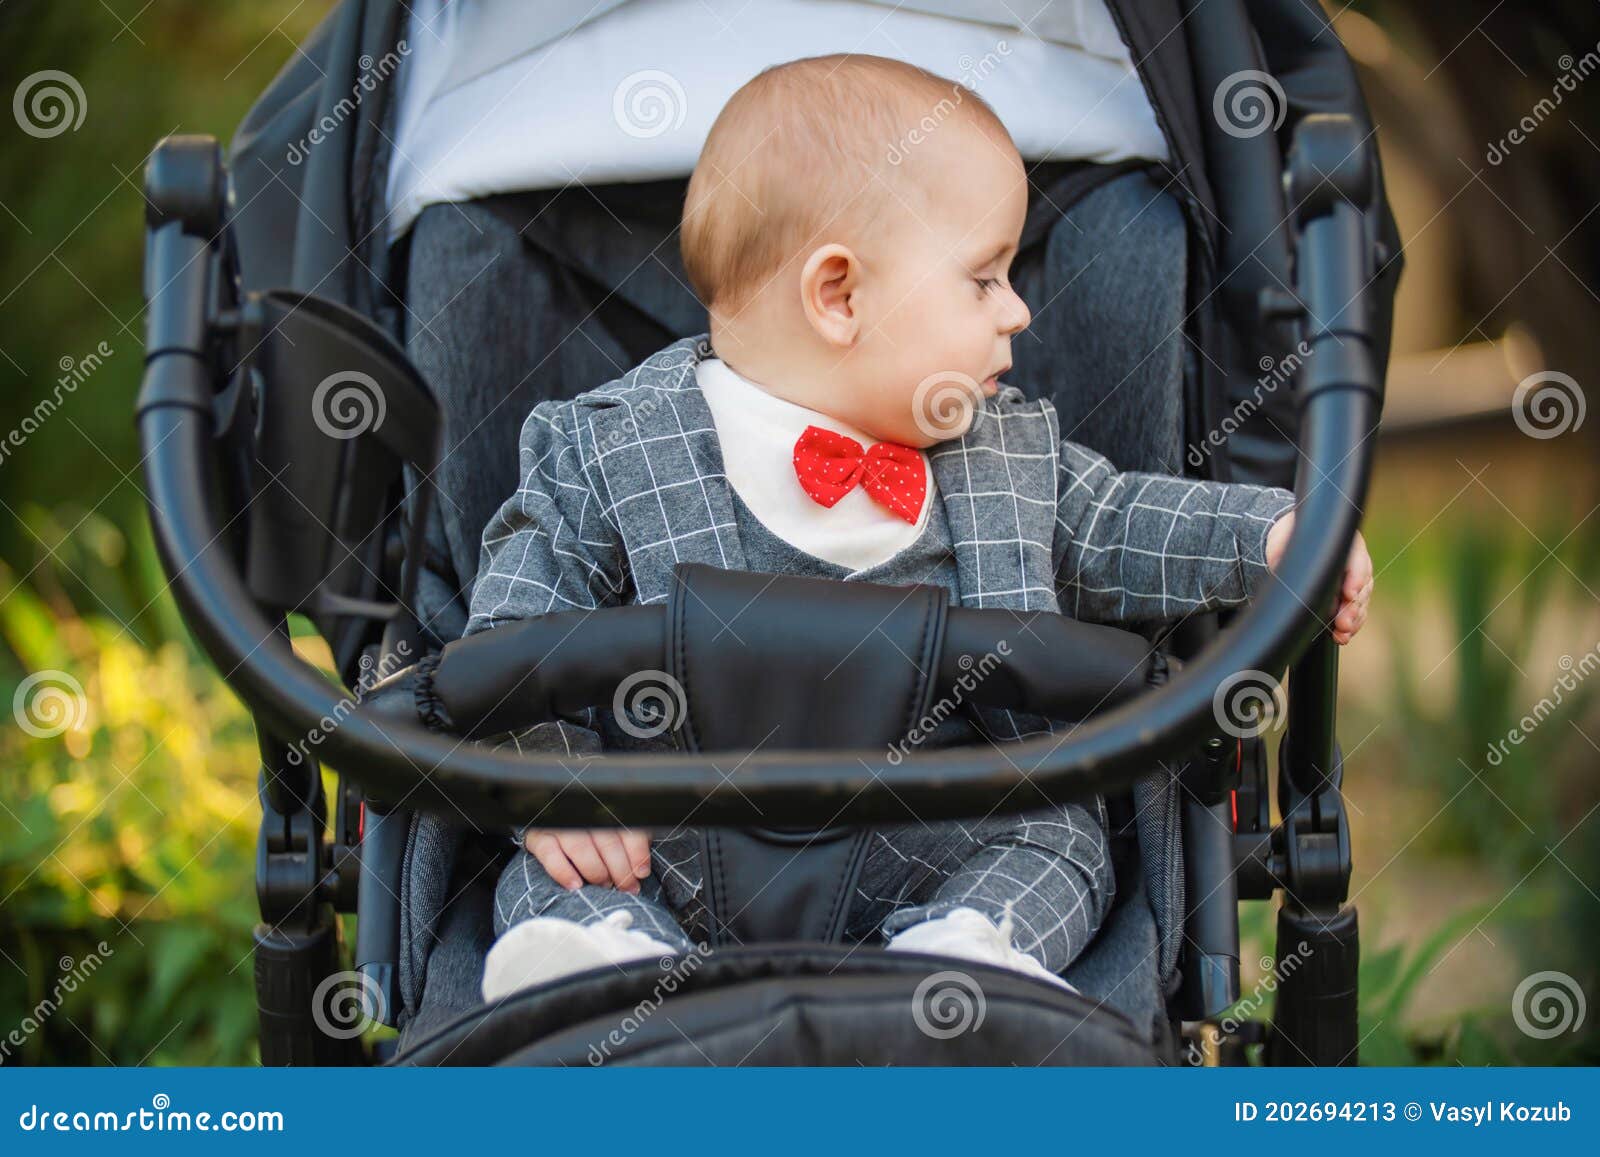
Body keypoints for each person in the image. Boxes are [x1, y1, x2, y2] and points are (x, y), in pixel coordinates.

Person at [468, 54, 1373, 1003]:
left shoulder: (1006, 452)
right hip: (672, 834)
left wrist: (1269, 537)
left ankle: (965, 954)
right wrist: (552, 776)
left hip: (950, 824)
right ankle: (603, 966)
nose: (1020, 311)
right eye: (984, 280)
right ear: (840, 297)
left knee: (1060, 833)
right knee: (556, 869)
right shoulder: (606, 449)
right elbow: (511, 640)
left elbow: (1116, 524)